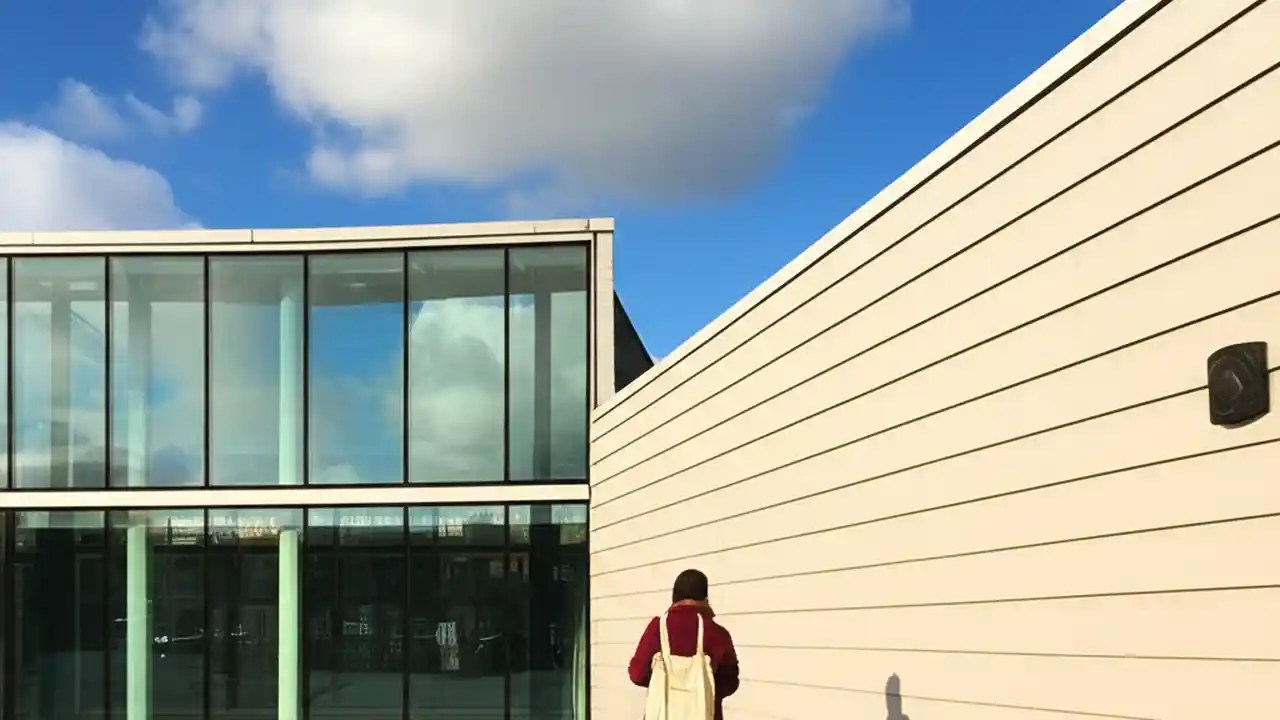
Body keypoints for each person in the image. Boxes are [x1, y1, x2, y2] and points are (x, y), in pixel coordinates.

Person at [629, 569, 740, 719]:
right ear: (705, 597)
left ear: (674, 596)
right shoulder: (717, 633)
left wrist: (663, 680)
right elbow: (730, 682)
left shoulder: (657, 628)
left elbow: (637, 674)